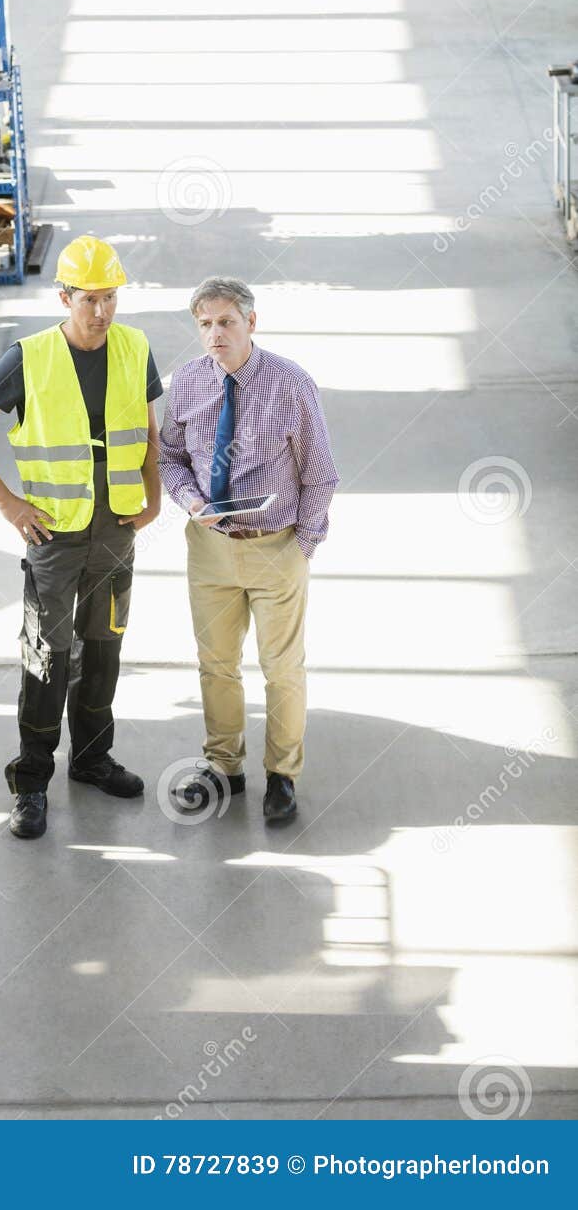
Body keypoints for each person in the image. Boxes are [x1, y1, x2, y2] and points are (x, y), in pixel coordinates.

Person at [0, 235, 163, 840]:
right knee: (47, 657)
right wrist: (7, 502)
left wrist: (154, 501)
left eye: (111, 297)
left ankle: (92, 759)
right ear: (63, 296)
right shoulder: (30, 356)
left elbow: (148, 430)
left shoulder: (135, 347)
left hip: (117, 528)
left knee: (104, 650)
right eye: (90, 298)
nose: (102, 310)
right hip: (56, 534)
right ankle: (33, 781)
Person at [158, 276, 338, 826]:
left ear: (251, 323)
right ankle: (224, 768)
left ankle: (281, 776)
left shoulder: (290, 383)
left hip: (275, 545)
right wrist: (192, 504)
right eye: (205, 324)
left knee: (282, 668)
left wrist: (301, 545)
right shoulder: (187, 383)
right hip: (210, 547)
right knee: (215, 664)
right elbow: (169, 457)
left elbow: (320, 471)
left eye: (226, 322)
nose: (215, 334)